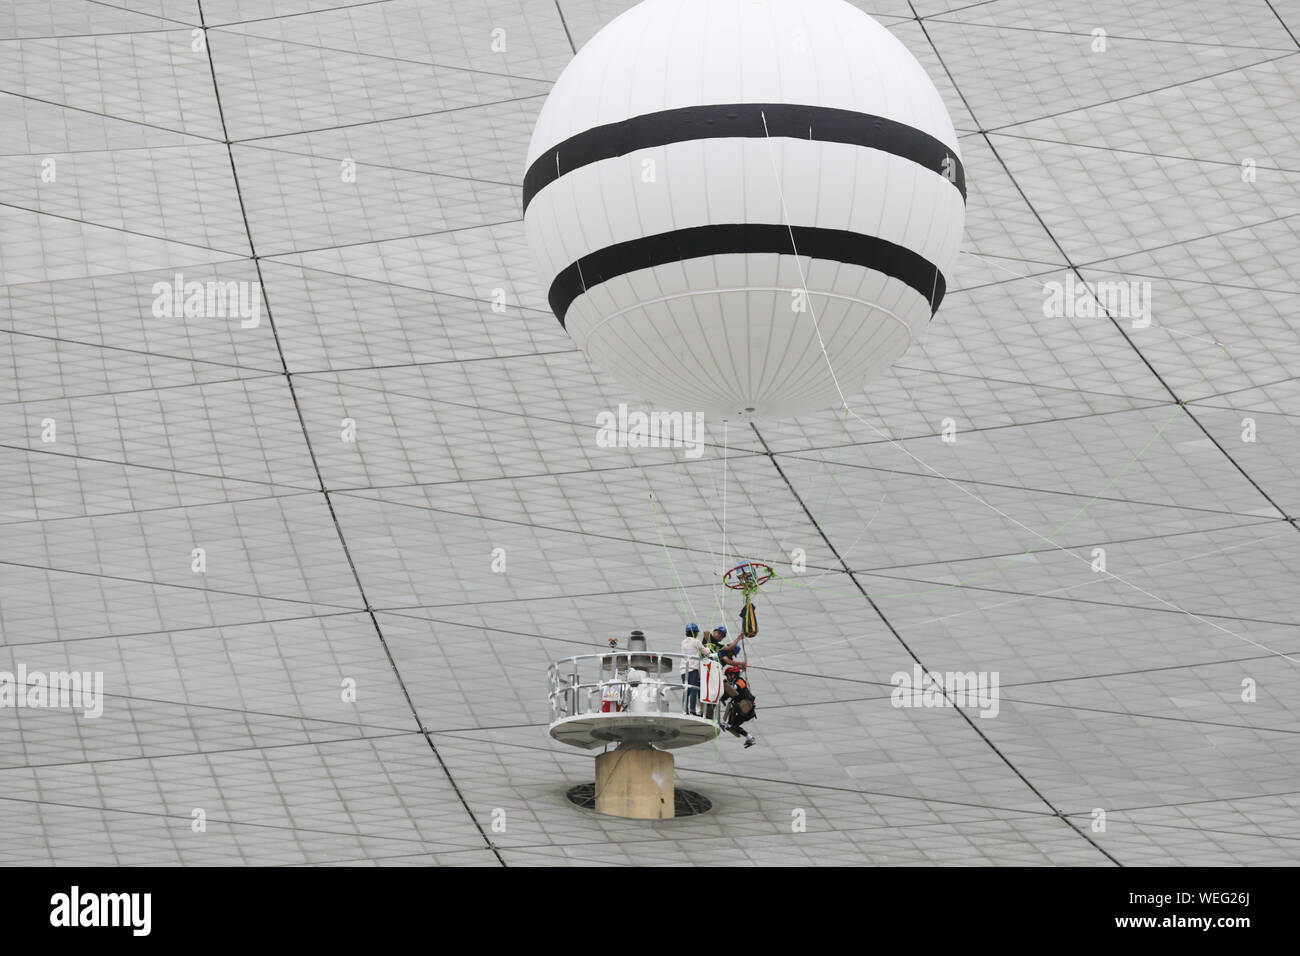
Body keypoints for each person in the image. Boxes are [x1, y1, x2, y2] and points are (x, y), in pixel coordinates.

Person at [720, 664, 757, 748]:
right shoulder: (733, 687)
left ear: (733, 675)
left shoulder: (740, 681)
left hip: (747, 706)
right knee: (734, 727)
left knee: (732, 706)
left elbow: (734, 688)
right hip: (744, 712)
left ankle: (728, 724)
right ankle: (750, 738)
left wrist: (724, 683)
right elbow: (727, 694)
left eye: (728, 675)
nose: (728, 677)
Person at [680, 623, 706, 715]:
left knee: (686, 690)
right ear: (695, 633)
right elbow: (706, 652)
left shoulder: (683, 642)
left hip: (683, 670)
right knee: (694, 689)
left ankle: (684, 709)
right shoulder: (696, 641)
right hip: (693, 669)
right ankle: (692, 710)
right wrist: (708, 648)